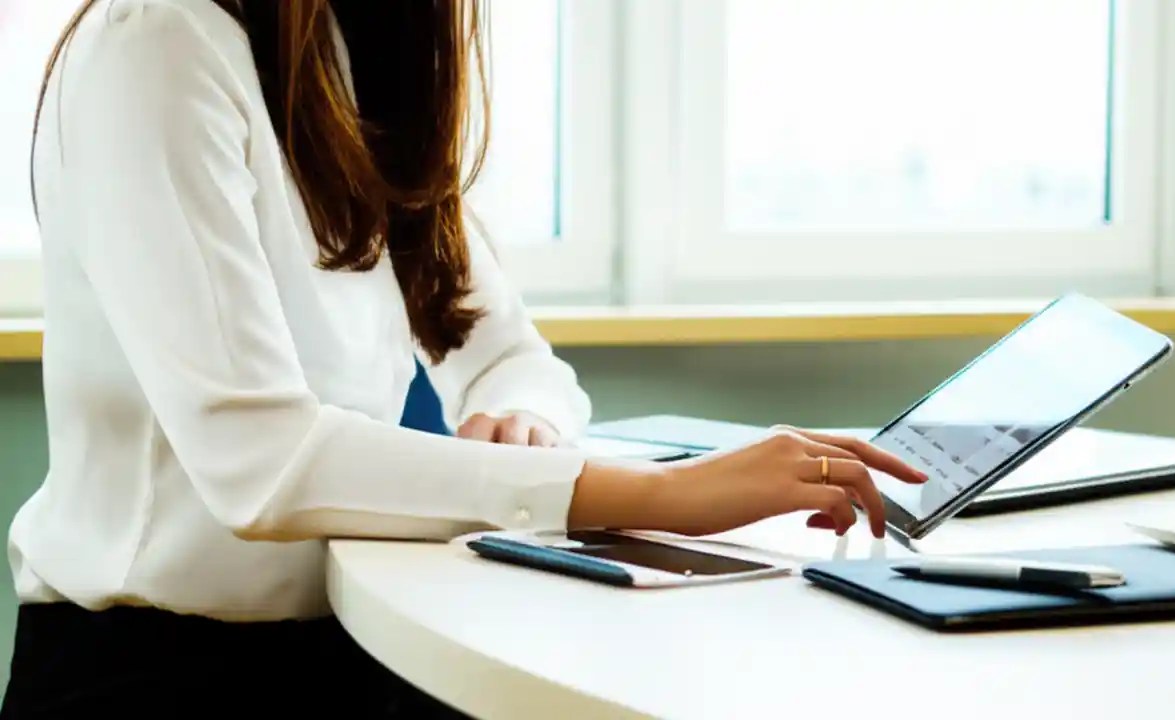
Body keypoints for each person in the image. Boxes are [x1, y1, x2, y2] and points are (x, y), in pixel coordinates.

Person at [1, 0, 927, 717]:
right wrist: (665, 495)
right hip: (152, 680)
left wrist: (527, 419)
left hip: (347, 647)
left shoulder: (337, 58)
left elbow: (506, 353)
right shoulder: (156, 45)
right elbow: (262, 465)